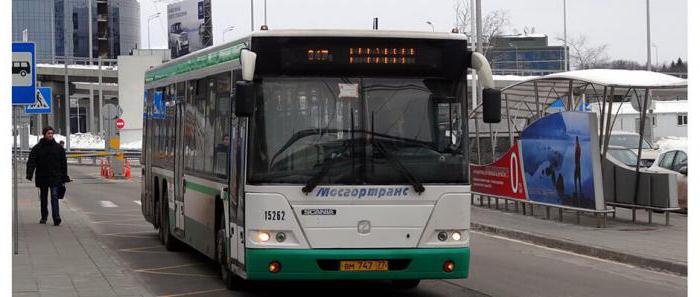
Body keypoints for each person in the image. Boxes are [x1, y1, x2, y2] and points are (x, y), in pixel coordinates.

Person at [26, 126, 69, 226]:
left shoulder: (58, 148)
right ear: (44, 134)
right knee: (43, 197)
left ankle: (56, 217)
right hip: (43, 176)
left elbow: (63, 163)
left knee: (54, 196)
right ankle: (44, 216)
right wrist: (29, 173)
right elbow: (31, 161)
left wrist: (64, 176)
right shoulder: (37, 148)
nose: (50, 135)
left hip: (55, 176)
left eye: (51, 133)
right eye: (48, 133)